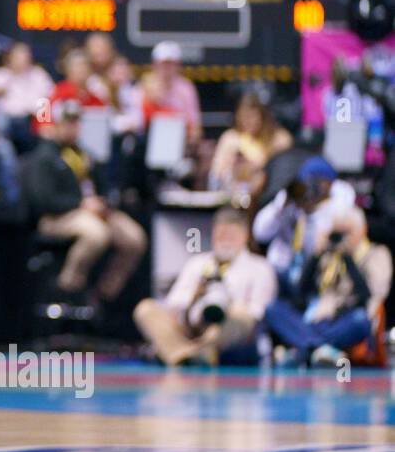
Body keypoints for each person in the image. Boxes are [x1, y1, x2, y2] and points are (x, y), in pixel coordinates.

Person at [20, 98, 147, 307]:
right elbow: (43, 200)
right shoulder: (45, 157)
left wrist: (103, 203)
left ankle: (104, 294)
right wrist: (81, 204)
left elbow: (102, 186)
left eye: (76, 123)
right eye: (68, 123)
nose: (73, 128)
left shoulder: (85, 154)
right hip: (57, 217)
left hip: (91, 212)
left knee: (134, 238)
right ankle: (67, 288)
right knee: (96, 234)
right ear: (56, 125)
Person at [133, 207, 276, 366]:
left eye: (231, 235)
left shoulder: (260, 267)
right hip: (190, 327)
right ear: (213, 234)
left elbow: (259, 312)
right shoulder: (197, 263)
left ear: (245, 236)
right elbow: (172, 304)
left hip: (227, 334)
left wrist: (228, 306)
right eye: (221, 234)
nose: (225, 240)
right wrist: (194, 297)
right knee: (145, 308)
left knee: (242, 314)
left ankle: (192, 353)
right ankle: (186, 356)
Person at [266, 207, 393, 368]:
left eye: (346, 232)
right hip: (315, 319)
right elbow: (300, 295)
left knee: (360, 319)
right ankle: (320, 347)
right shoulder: (327, 255)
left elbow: (368, 297)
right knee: (273, 309)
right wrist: (315, 257)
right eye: (335, 232)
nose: (339, 238)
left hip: (345, 319)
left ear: (363, 230)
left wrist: (348, 259)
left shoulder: (376, 253)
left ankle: (305, 349)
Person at [252, 156, 356, 289]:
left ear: (329, 183)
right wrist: (279, 208)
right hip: (279, 269)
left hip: (314, 276)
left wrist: (311, 211)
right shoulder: (289, 199)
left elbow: (316, 247)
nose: (308, 187)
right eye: (305, 181)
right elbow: (260, 234)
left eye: (315, 182)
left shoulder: (339, 203)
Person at [208, 93, 292, 200]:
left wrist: (258, 164)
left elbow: (286, 142)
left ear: (262, 116)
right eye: (244, 116)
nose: (248, 121)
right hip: (234, 192)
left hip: (265, 194)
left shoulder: (275, 138)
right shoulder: (231, 138)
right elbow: (216, 174)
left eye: (252, 116)